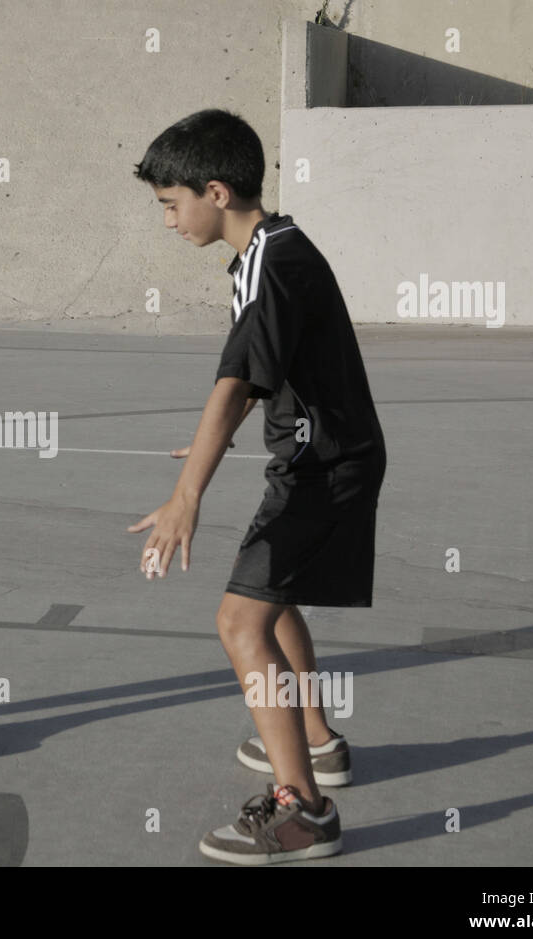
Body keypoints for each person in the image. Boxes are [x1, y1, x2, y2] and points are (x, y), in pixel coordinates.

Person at [128, 108, 386, 863]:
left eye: (172, 205)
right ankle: (316, 740)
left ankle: (304, 809)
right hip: (320, 461)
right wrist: (210, 444)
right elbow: (258, 377)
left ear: (216, 190)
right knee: (272, 610)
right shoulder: (266, 252)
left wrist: (188, 495)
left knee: (240, 622)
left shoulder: (272, 260)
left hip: (323, 473)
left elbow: (237, 379)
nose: (169, 221)